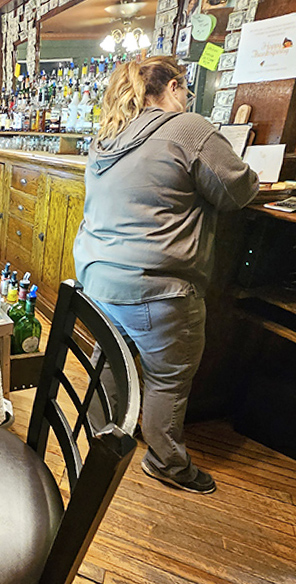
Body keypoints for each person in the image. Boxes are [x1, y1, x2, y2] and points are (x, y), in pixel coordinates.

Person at [73, 56, 259, 495]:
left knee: (111, 365)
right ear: (174, 87)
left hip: (98, 279)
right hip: (156, 286)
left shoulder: (110, 135)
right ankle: (167, 463)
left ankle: (101, 443)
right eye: (186, 92)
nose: (187, 99)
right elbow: (239, 189)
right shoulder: (188, 127)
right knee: (167, 379)